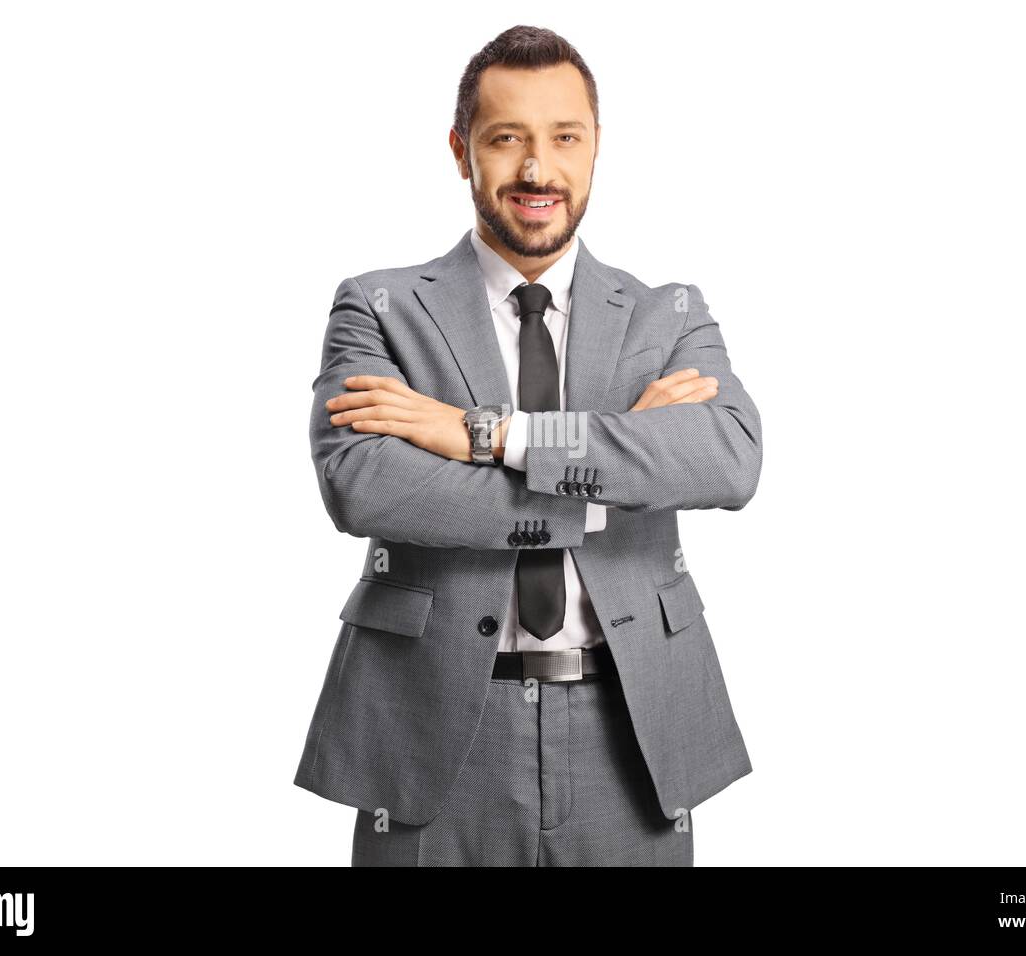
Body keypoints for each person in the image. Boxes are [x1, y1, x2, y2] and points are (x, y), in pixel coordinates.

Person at [293, 24, 763, 866]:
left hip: (631, 731)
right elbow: (364, 485)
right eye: (507, 138)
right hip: (429, 731)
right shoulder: (380, 308)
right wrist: (610, 472)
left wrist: (487, 435)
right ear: (460, 149)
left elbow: (727, 458)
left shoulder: (669, 316)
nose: (537, 169)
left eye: (563, 138)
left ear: (595, 149)